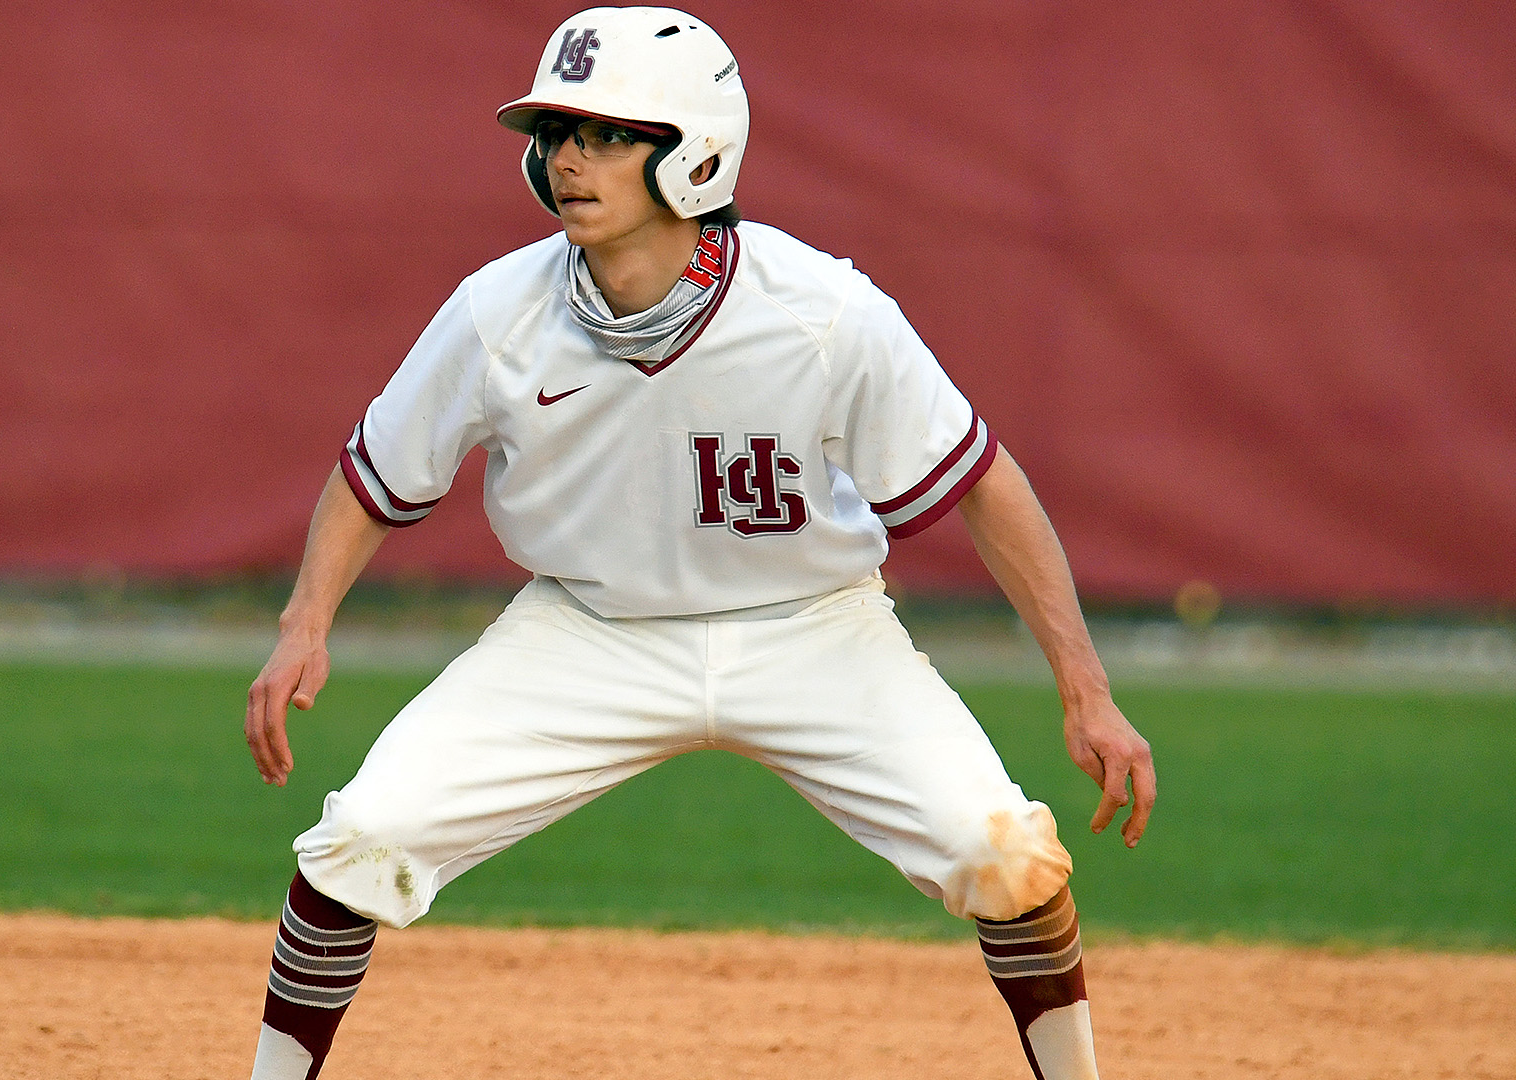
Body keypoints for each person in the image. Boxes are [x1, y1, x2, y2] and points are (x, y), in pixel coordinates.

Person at [242, 8, 1155, 1079]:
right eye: (556, 134)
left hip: (813, 632)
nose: (567, 159)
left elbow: (986, 484)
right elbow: (374, 475)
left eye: (609, 134)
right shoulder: (499, 312)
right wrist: (304, 624)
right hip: (588, 635)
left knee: (1000, 856)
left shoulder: (821, 310)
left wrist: (1085, 688)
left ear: (696, 152)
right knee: (361, 843)